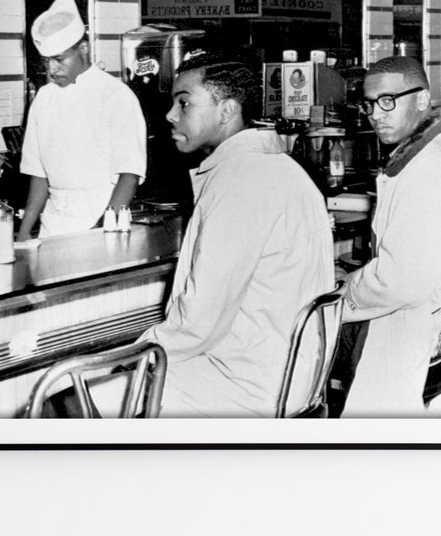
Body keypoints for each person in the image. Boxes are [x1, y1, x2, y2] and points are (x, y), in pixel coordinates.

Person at [135, 53, 335, 417]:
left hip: (246, 388)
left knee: (73, 391)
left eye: (184, 103)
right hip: (294, 378)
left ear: (226, 110)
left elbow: (199, 325)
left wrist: (137, 351)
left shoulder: (239, 181)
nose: (170, 114)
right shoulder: (283, 168)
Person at [339, 55, 441, 417]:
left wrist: (341, 292)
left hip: (408, 333)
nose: (376, 114)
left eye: (388, 101)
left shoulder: (431, 166)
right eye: (368, 104)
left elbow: (399, 282)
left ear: (420, 99)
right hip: (438, 329)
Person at [16, 0, 147, 240]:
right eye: (45, 61)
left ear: (84, 48)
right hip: (52, 226)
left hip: (102, 220)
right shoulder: (43, 99)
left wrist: (102, 229)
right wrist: (23, 235)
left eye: (59, 59)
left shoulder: (115, 96)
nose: (51, 69)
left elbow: (129, 175)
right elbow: (39, 175)